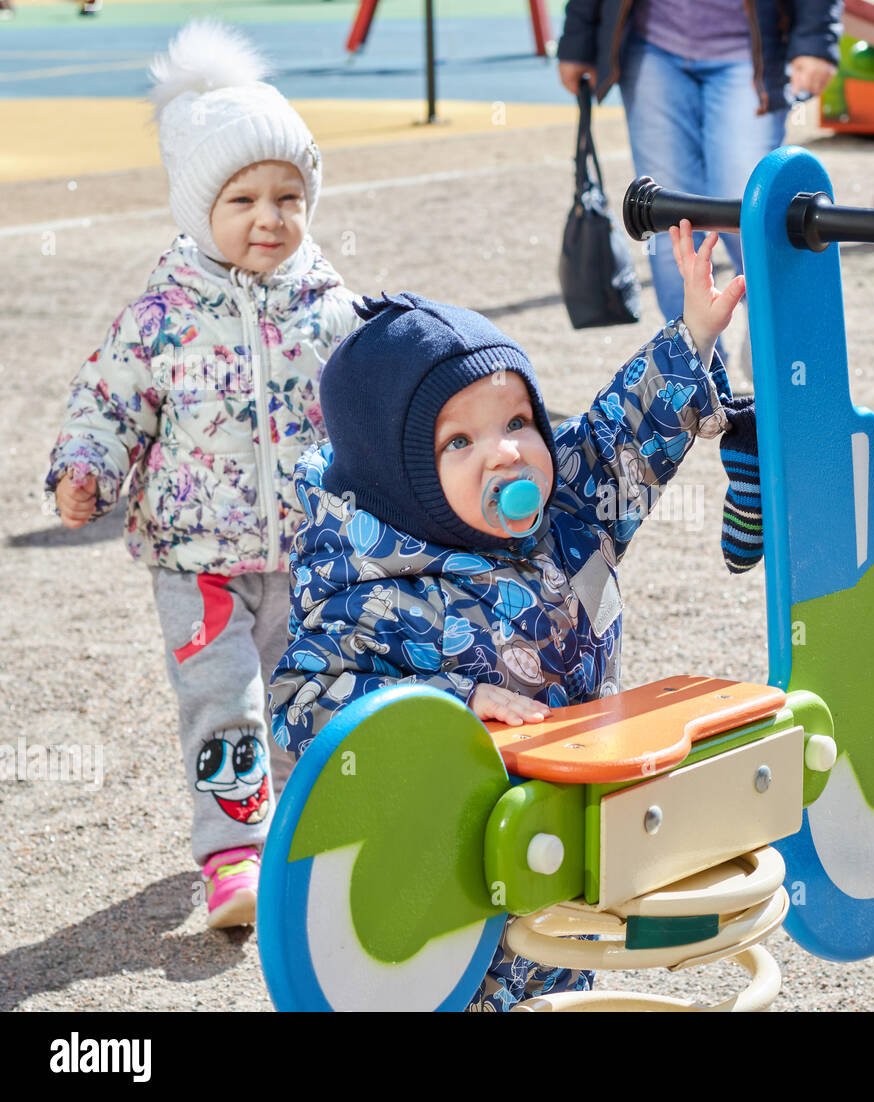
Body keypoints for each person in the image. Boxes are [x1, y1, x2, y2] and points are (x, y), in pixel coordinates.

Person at [268, 222, 761, 1010]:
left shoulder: (568, 510)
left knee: (564, 965)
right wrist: (453, 709)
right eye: (458, 441)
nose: (505, 454)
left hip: (562, 838)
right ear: (401, 481)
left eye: (517, 422)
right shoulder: (367, 582)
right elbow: (300, 701)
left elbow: (624, 435)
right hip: (447, 879)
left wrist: (694, 335)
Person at [44, 21, 360, 928]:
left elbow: (372, 408)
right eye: (244, 198)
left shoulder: (330, 308)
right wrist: (85, 473)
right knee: (226, 704)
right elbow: (106, 402)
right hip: (198, 563)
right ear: (200, 210)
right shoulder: (162, 316)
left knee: (305, 693)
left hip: (304, 552)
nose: (271, 218)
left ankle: (303, 835)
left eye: (289, 196)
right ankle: (233, 856)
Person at [555, 1, 840, 344]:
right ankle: (693, 367)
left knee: (751, 207)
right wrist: (578, 39)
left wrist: (815, 40)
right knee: (668, 220)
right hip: (653, 45)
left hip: (750, 50)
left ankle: (774, 339)